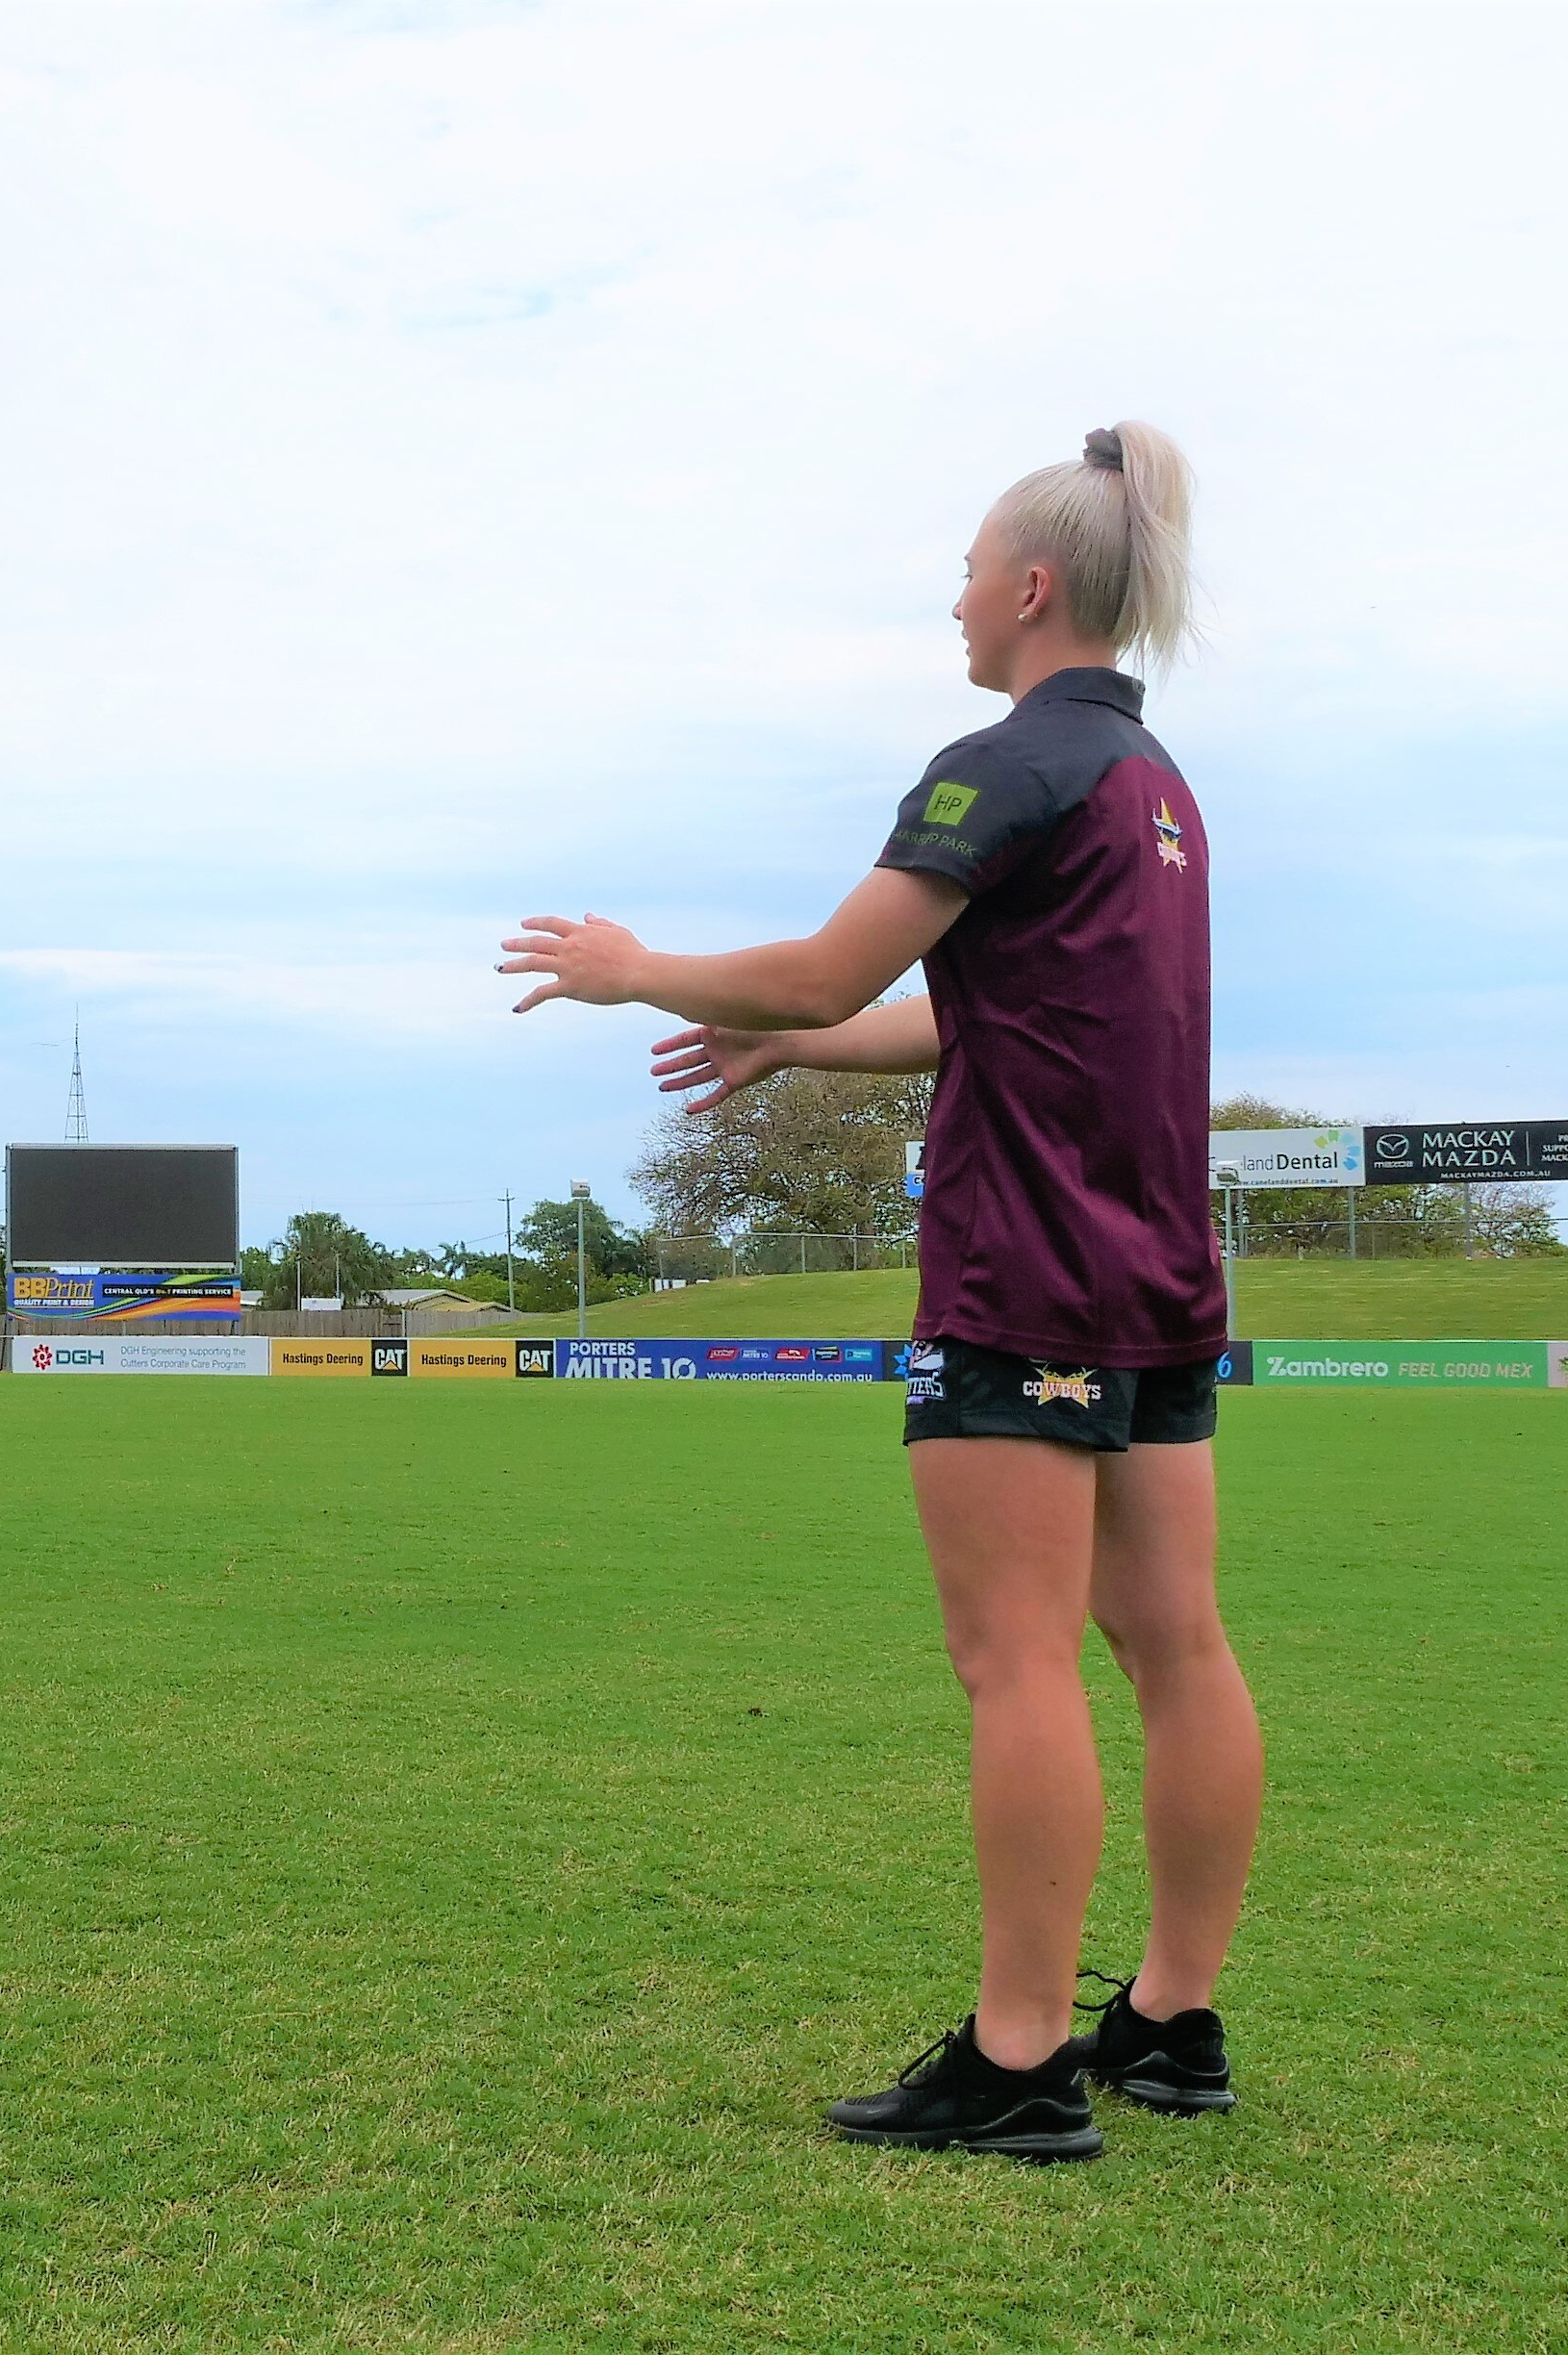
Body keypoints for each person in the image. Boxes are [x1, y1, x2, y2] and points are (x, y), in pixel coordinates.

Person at [498, 423, 1254, 2162]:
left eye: (968, 567)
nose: (953, 595)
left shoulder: (1003, 759)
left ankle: (1013, 2060)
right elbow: (977, 1011)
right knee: (1177, 1642)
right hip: (1150, 1268)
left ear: (1031, 586)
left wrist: (637, 974)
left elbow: (843, 954)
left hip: (1028, 1266)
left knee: (1016, 1659)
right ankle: (1168, 2020)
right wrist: (796, 1048)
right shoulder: (1156, 793)